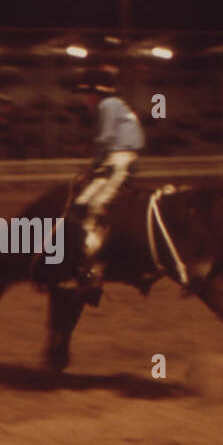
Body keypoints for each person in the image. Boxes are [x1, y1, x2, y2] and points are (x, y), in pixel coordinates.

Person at [65, 67, 144, 288]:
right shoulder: (120, 105)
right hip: (122, 159)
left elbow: (105, 138)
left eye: (87, 94)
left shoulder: (107, 105)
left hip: (117, 161)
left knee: (92, 206)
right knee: (84, 202)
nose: (85, 99)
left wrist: (93, 166)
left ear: (96, 93)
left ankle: (90, 259)